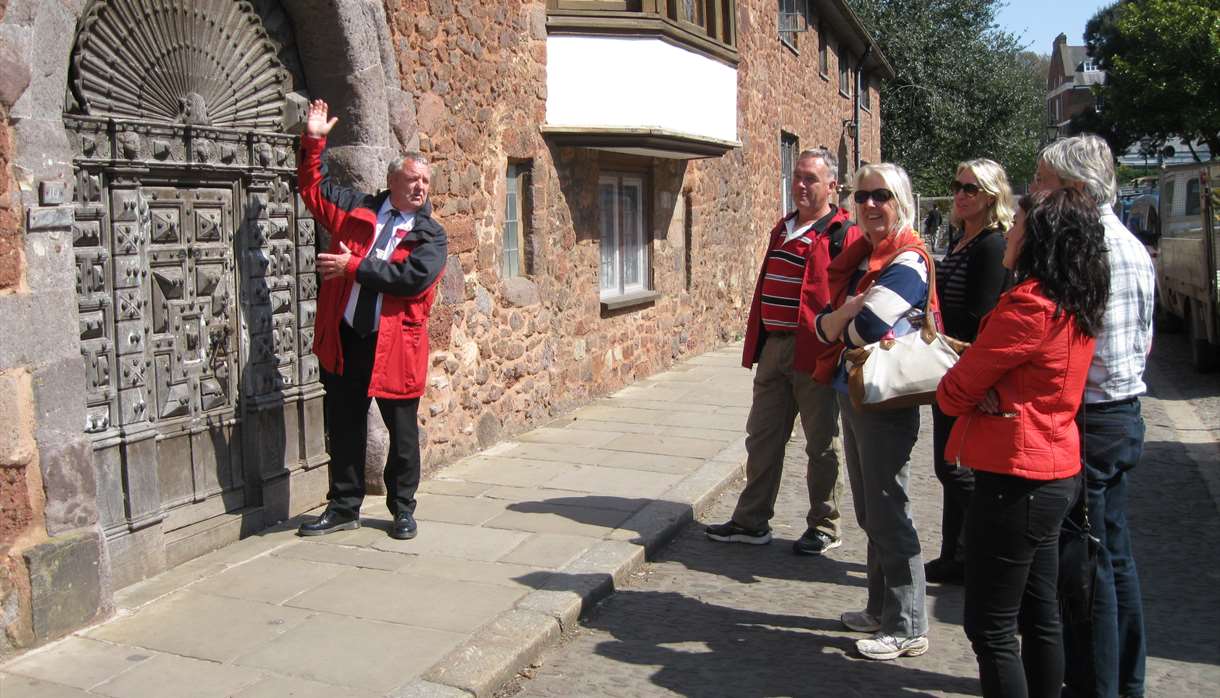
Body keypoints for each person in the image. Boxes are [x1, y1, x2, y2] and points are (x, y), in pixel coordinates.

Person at [938, 189, 1110, 698]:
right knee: (1040, 616)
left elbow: (953, 392)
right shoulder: (1074, 299)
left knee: (990, 628)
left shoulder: (1030, 307)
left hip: (1016, 479)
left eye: (1017, 224)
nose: (1009, 232)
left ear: (1040, 238)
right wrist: (985, 386)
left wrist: (979, 389)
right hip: (1053, 471)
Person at [1035, 135, 1155, 698]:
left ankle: (1097, 686)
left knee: (1088, 566)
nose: (1038, 195)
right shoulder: (1130, 243)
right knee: (1115, 557)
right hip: (1123, 410)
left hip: (1093, 415)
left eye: (1046, 184)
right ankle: (1127, 682)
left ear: (1076, 189)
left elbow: (1066, 344)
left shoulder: (1088, 246)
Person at [295, 99, 448, 541]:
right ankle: (343, 506)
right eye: (412, 179)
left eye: (425, 181)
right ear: (392, 181)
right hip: (347, 339)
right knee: (344, 425)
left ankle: (402, 510)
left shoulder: (430, 235)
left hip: (395, 345)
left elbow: (412, 280)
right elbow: (311, 188)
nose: (420, 188)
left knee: (401, 434)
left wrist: (354, 268)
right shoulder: (357, 210)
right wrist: (315, 140)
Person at [705, 148, 860, 555]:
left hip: (815, 351)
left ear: (832, 185)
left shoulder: (844, 233)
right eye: (797, 177)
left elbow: (854, 294)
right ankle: (752, 521)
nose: (801, 185)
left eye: (810, 178)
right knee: (762, 437)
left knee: (821, 442)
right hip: (774, 346)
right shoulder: (784, 227)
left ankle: (825, 524)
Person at [814, 162, 930, 660]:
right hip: (853, 387)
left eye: (880, 195)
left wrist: (843, 317)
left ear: (900, 199)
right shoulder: (863, 254)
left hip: (885, 396)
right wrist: (845, 314)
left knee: (888, 508)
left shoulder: (907, 260)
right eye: (861, 197)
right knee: (867, 509)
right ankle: (881, 608)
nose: (870, 205)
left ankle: (907, 624)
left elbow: (860, 330)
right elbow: (823, 325)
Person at [926, 159, 1014, 585]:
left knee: (957, 468)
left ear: (991, 197)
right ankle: (955, 556)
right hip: (946, 363)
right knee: (949, 463)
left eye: (971, 189)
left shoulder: (993, 246)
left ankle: (989, 554)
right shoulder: (962, 239)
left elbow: (981, 314)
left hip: (966, 367)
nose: (960, 194)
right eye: (957, 186)